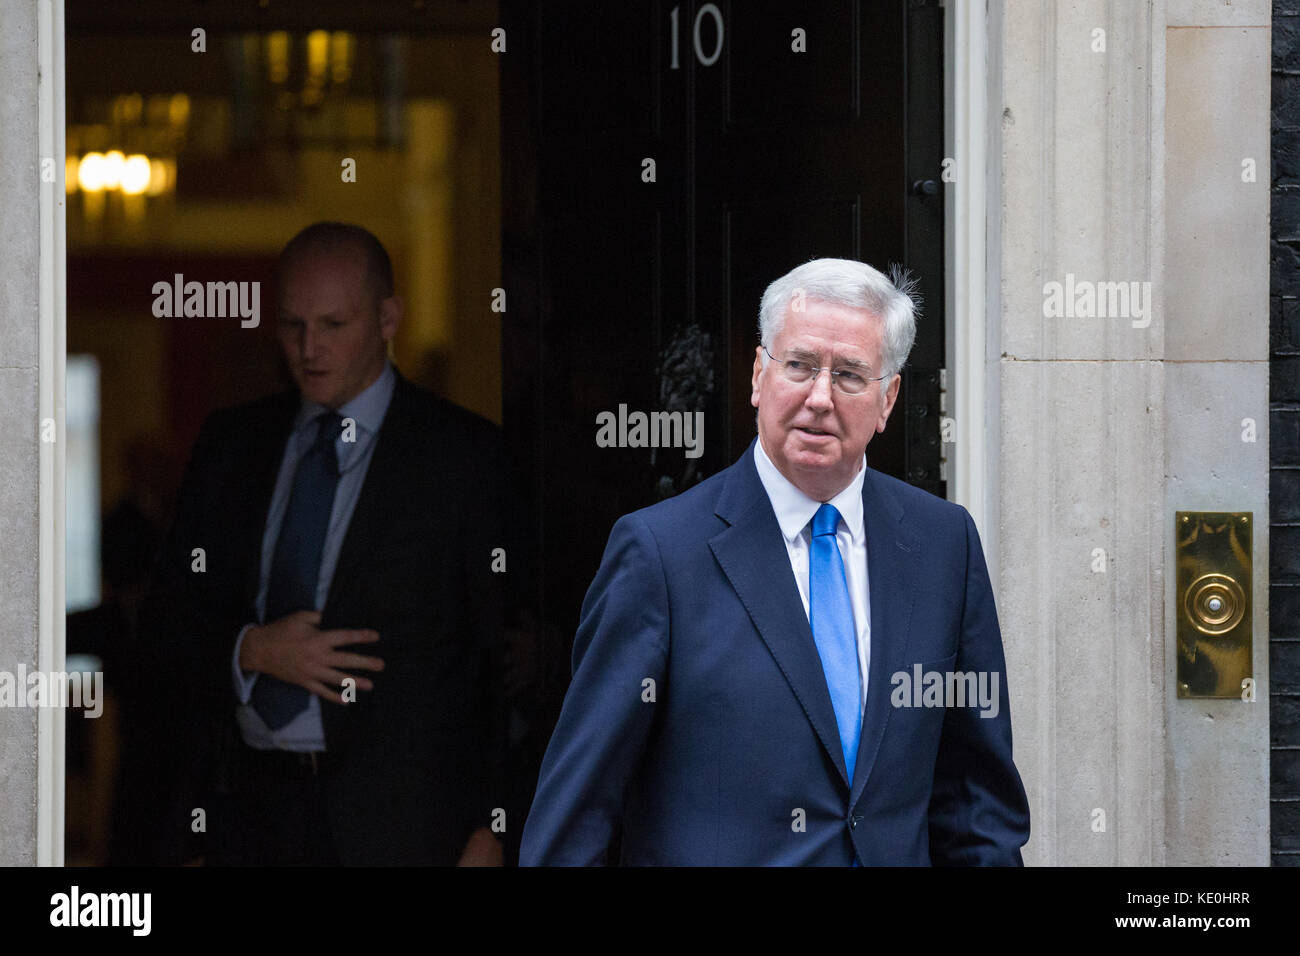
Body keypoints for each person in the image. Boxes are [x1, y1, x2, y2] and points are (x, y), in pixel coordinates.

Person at [519, 258, 1030, 865]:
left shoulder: (944, 543)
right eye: (799, 365)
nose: (819, 397)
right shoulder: (659, 554)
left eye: (848, 375)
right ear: (759, 376)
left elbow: (978, 806)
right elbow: (576, 819)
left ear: (888, 398)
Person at [141, 222, 508, 865]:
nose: (309, 348)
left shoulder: (463, 457)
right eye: (292, 325)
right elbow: (163, 620)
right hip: (245, 815)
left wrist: (494, 828)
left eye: (334, 325)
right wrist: (251, 648)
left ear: (388, 318)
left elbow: (507, 658)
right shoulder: (231, 448)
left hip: (405, 830)